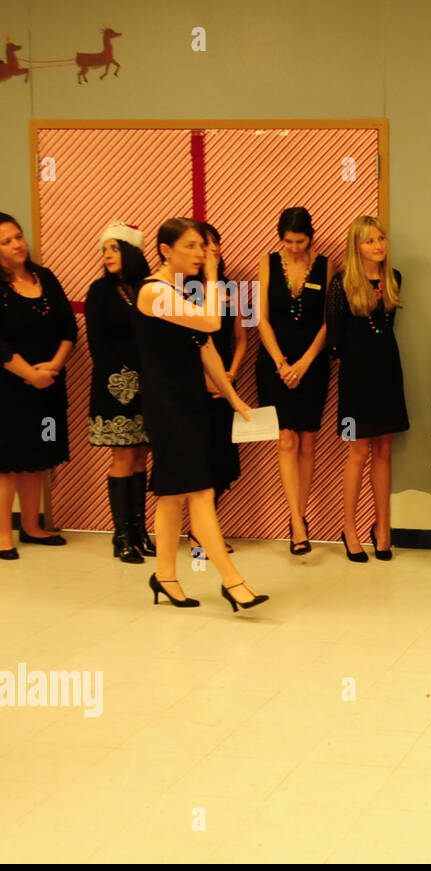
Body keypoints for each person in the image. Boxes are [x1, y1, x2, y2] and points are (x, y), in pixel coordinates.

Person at [133, 217, 267, 611]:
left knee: (172, 496)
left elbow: (204, 344)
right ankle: (232, 581)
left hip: (190, 399)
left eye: (203, 247)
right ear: (165, 250)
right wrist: (211, 274)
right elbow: (211, 321)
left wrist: (233, 398)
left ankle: (165, 577)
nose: (200, 253)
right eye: (191, 246)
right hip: (167, 403)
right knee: (201, 491)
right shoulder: (153, 292)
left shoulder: (176, 291)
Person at [326, 215, 408, 562]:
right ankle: (349, 528)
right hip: (356, 373)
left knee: (384, 448)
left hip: (388, 368)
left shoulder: (395, 278)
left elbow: (388, 327)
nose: (378, 245)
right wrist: (347, 364)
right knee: (357, 450)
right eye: (370, 240)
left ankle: (383, 528)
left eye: (381, 239)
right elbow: (334, 337)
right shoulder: (341, 282)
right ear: (356, 246)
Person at [255, 207, 334, 556]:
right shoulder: (268, 262)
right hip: (275, 361)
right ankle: (297, 522)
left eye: (299, 241)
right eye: (287, 241)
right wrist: (281, 362)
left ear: (310, 237)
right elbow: (260, 318)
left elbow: (329, 321)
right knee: (285, 440)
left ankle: (298, 518)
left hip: (312, 362)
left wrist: (303, 363)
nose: (293, 247)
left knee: (306, 441)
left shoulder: (326, 265)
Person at [0, 213, 76, 559]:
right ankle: (3, 534)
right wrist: (30, 374)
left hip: (48, 388)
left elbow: (68, 328)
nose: (17, 244)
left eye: (18, 236)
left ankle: (32, 526)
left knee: (38, 458)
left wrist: (55, 366)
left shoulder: (43, 276)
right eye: (6, 241)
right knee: (9, 464)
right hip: (10, 389)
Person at [85, 222, 153, 563]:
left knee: (142, 454)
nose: (108, 255)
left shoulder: (147, 288)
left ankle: (140, 528)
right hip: (113, 386)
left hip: (149, 383)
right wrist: (124, 379)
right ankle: (121, 534)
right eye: (104, 250)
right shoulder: (99, 291)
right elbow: (98, 343)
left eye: (114, 248)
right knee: (123, 456)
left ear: (131, 251)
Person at [193, 221, 243, 556]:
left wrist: (229, 376)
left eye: (215, 244)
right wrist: (208, 378)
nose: (211, 250)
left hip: (226, 381)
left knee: (223, 461)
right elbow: (191, 341)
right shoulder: (182, 289)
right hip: (195, 387)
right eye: (204, 244)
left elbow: (240, 338)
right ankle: (201, 537)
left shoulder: (231, 289)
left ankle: (206, 531)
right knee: (201, 461)